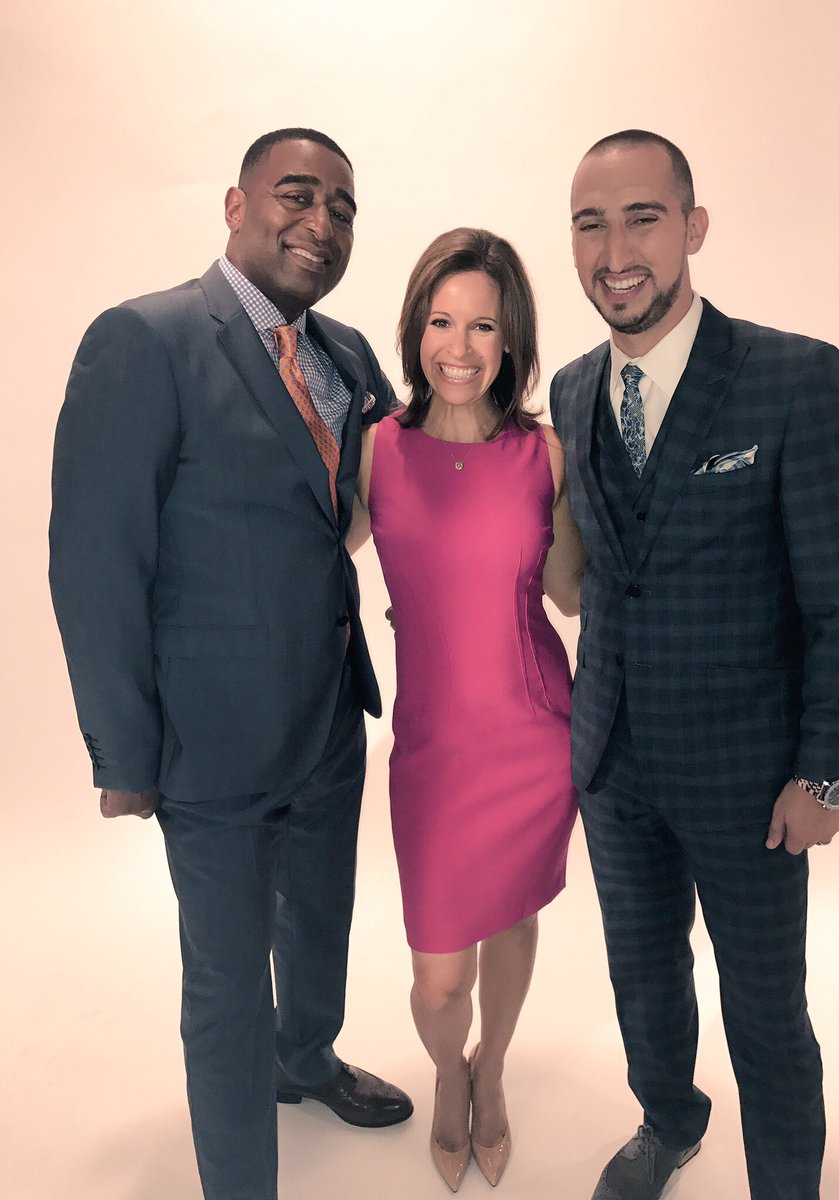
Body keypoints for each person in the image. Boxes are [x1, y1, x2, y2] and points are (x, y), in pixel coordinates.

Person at [49, 127, 413, 1200]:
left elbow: (386, 475)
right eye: (297, 195)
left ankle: (306, 1060)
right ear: (235, 204)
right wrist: (125, 754)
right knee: (225, 985)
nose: (321, 222)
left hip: (330, 716)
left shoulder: (345, 351)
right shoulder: (145, 339)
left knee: (322, 922)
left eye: (342, 207)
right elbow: (94, 561)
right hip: (208, 741)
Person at [550, 130, 839, 1200]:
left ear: (692, 228)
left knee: (766, 1007)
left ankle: (786, 1183)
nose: (615, 252)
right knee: (643, 978)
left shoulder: (792, 377)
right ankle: (670, 1120)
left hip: (752, 774)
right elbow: (590, 570)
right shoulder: (570, 389)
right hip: (612, 760)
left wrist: (825, 774)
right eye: (591, 225)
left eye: (642, 219)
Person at [347, 227, 584, 1191]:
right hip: (435, 751)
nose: (460, 346)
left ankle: (494, 1068)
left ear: (511, 337)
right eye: (442, 321)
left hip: (534, 737)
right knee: (440, 976)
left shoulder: (545, 454)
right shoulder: (378, 449)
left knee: (514, 920)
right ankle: (451, 1068)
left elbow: (574, 594)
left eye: (483, 326)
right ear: (414, 329)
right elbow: (306, 557)